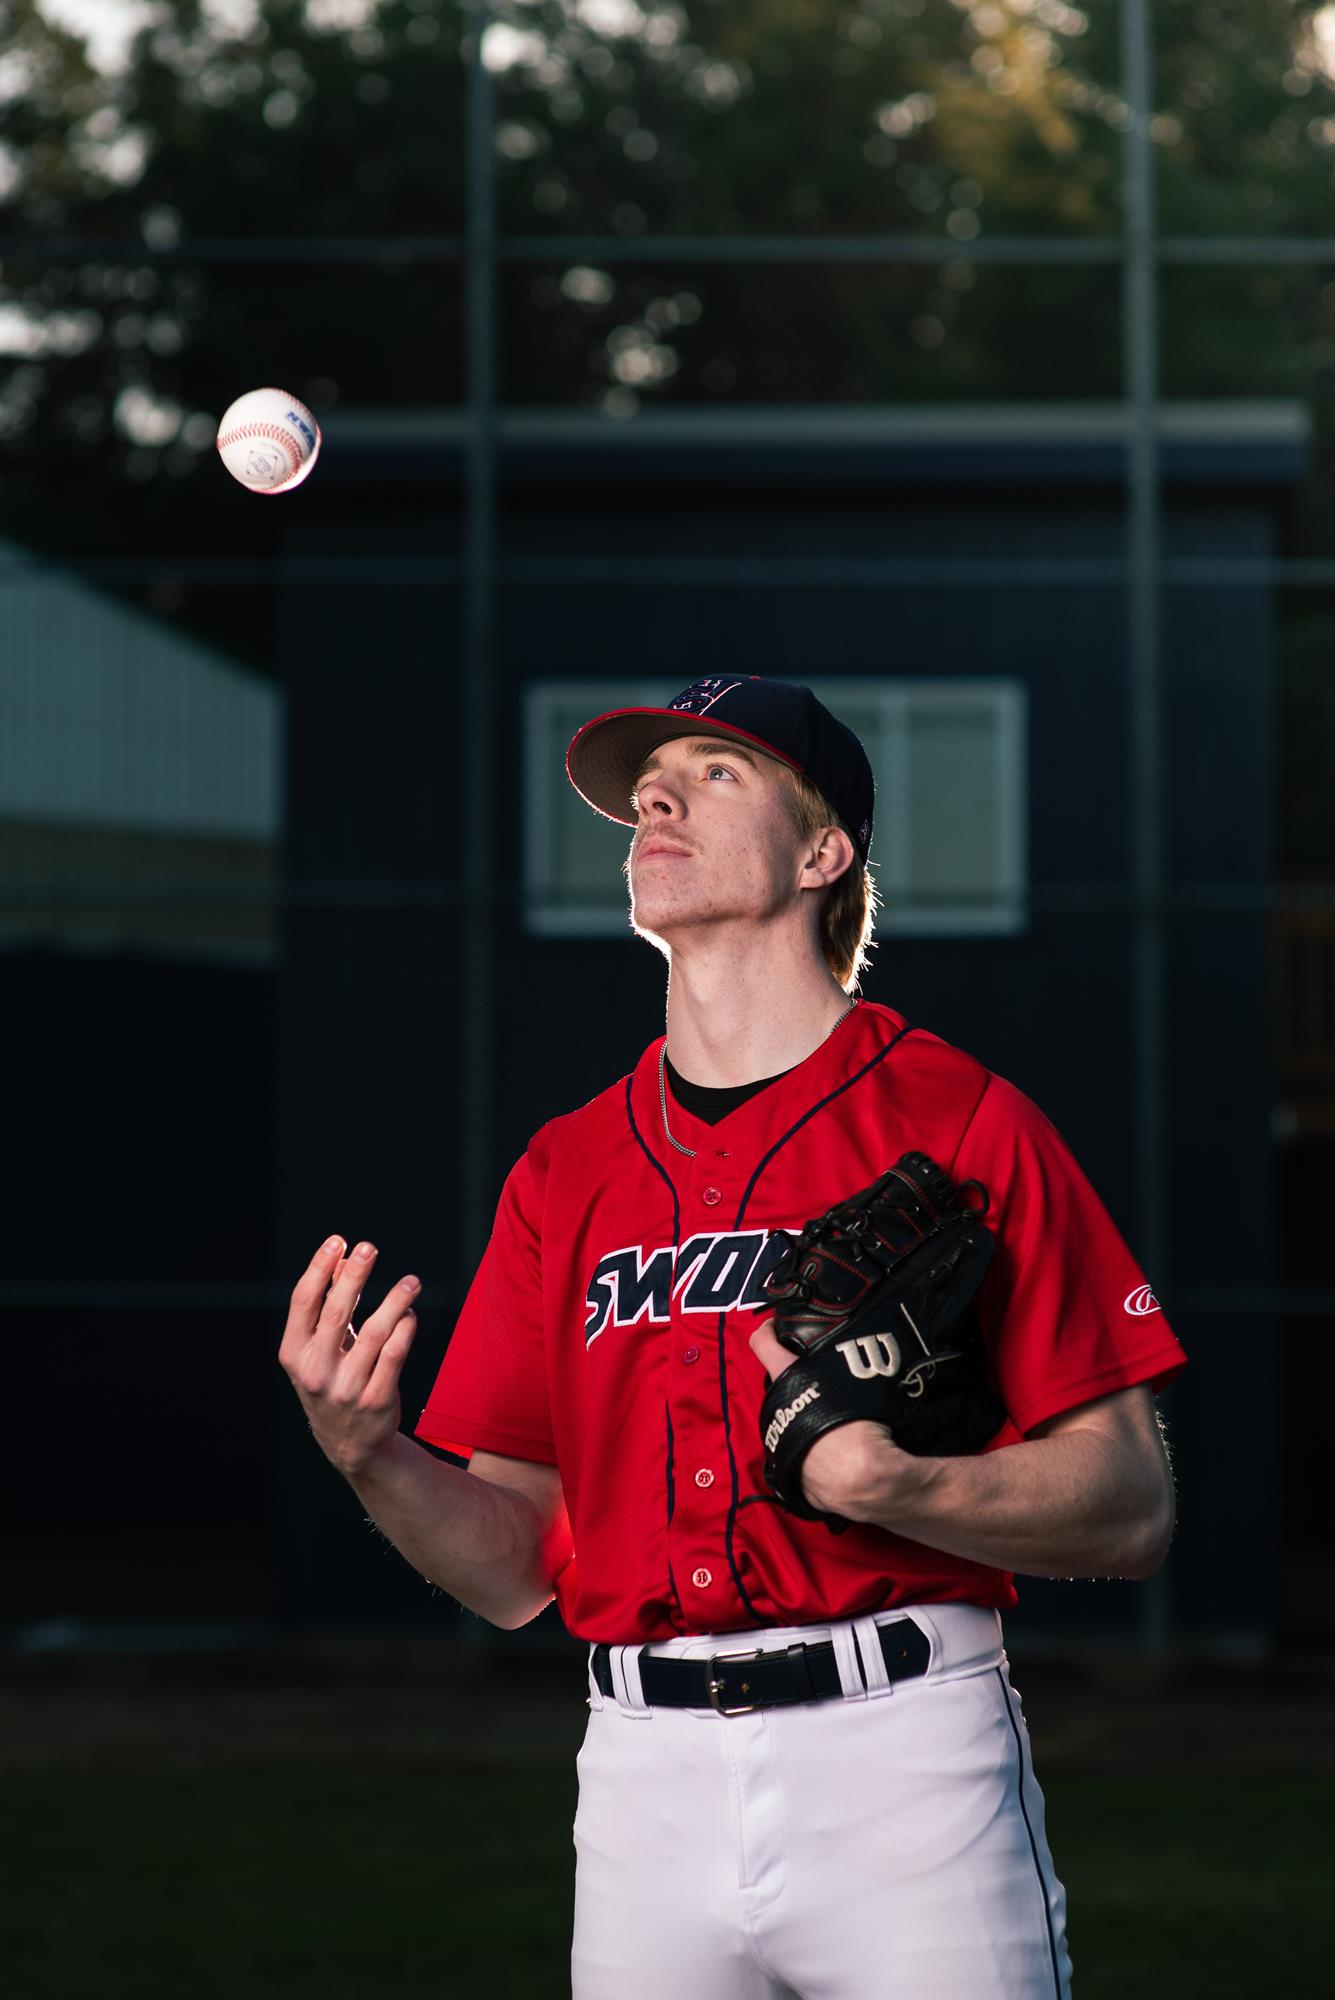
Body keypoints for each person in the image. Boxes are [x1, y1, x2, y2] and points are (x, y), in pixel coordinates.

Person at [280, 676, 1186, 2000]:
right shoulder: (566, 1169)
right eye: (650, 783)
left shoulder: (968, 1122)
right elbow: (513, 1571)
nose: (655, 795)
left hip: (906, 1768)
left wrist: (902, 1487)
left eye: (714, 773)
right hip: (641, 1785)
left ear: (825, 854)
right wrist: (372, 1458)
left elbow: (1134, 1506)